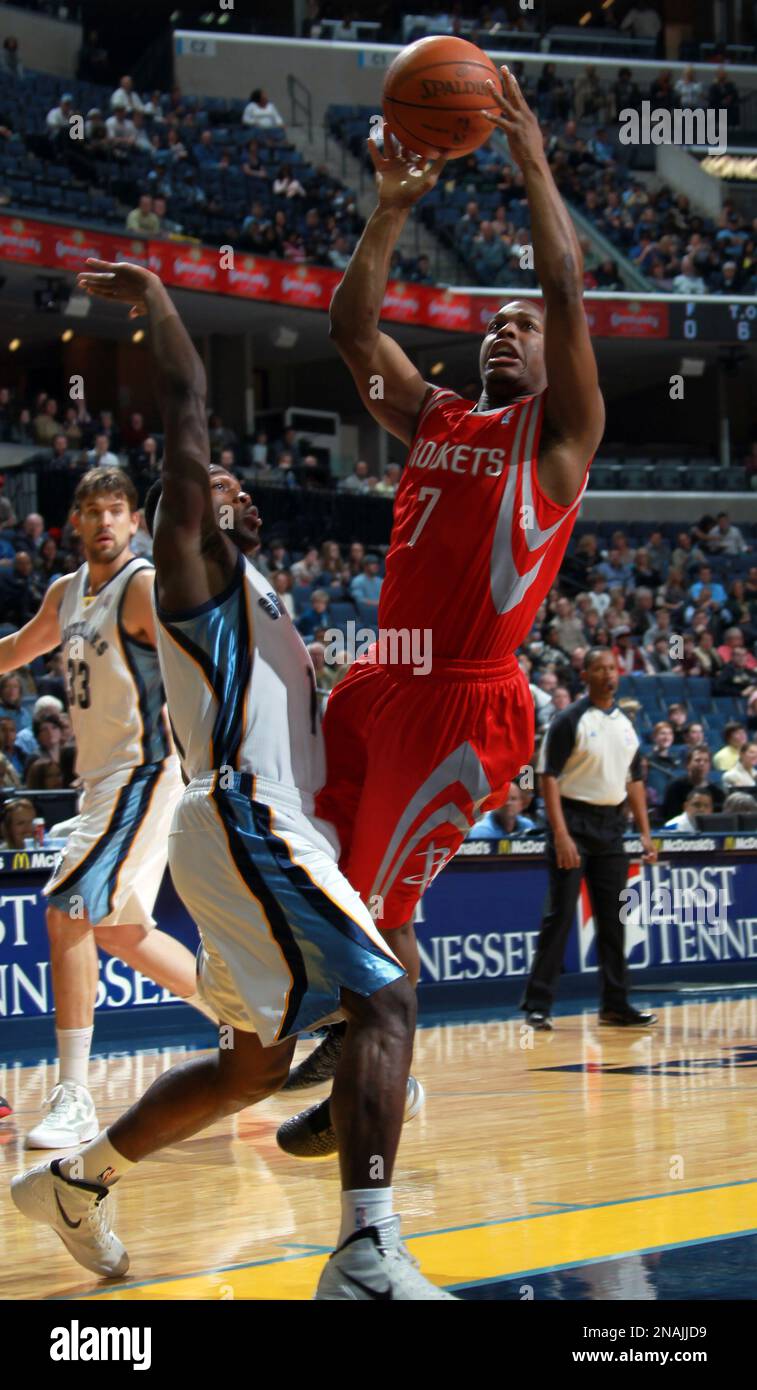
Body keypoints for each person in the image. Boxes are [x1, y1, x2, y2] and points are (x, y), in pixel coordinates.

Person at [11, 259, 450, 1302]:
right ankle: (366, 1253)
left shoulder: (259, 590)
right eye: (219, 484)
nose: (238, 488)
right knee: (388, 997)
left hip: (254, 825)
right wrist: (161, 300)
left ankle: (82, 1180)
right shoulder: (190, 566)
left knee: (249, 1066)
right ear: (185, 517)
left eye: (238, 487)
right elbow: (186, 403)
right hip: (245, 815)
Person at [280, 67, 605, 1140]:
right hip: (379, 679)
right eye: (491, 325)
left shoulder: (557, 444)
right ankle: (369, 1042)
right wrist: (387, 211)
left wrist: (528, 158)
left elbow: (564, 291)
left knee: (385, 913)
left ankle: (378, 1065)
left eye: (521, 327)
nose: (503, 333)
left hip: (464, 705)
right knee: (318, 874)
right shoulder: (435, 419)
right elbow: (348, 330)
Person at [0, 467, 205, 1150]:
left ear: (134, 522)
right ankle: (258, 1028)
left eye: (116, 510)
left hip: (146, 774)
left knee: (65, 910)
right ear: (77, 523)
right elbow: (17, 651)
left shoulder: (142, 586)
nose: (105, 522)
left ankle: (74, 1097)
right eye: (92, 511)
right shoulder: (65, 595)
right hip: (99, 788)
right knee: (120, 932)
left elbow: (202, 662)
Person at [520, 648, 658, 1030]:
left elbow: (634, 781)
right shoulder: (569, 720)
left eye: (612, 668)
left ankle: (615, 1004)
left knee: (614, 919)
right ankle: (538, 1005)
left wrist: (645, 835)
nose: (608, 674)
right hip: (573, 822)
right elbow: (547, 776)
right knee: (560, 916)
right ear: (586, 675)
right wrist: (561, 833)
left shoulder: (626, 725)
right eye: (599, 668)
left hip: (612, 827)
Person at [660, 746, 725, 821]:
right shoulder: (674, 788)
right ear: (688, 764)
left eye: (706, 761)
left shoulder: (717, 792)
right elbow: (669, 816)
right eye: (697, 760)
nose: (702, 764)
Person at [466, 783, 537, 838]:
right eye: (503, 799)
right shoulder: (482, 830)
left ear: (521, 804)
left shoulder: (528, 826)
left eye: (513, 799)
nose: (508, 803)